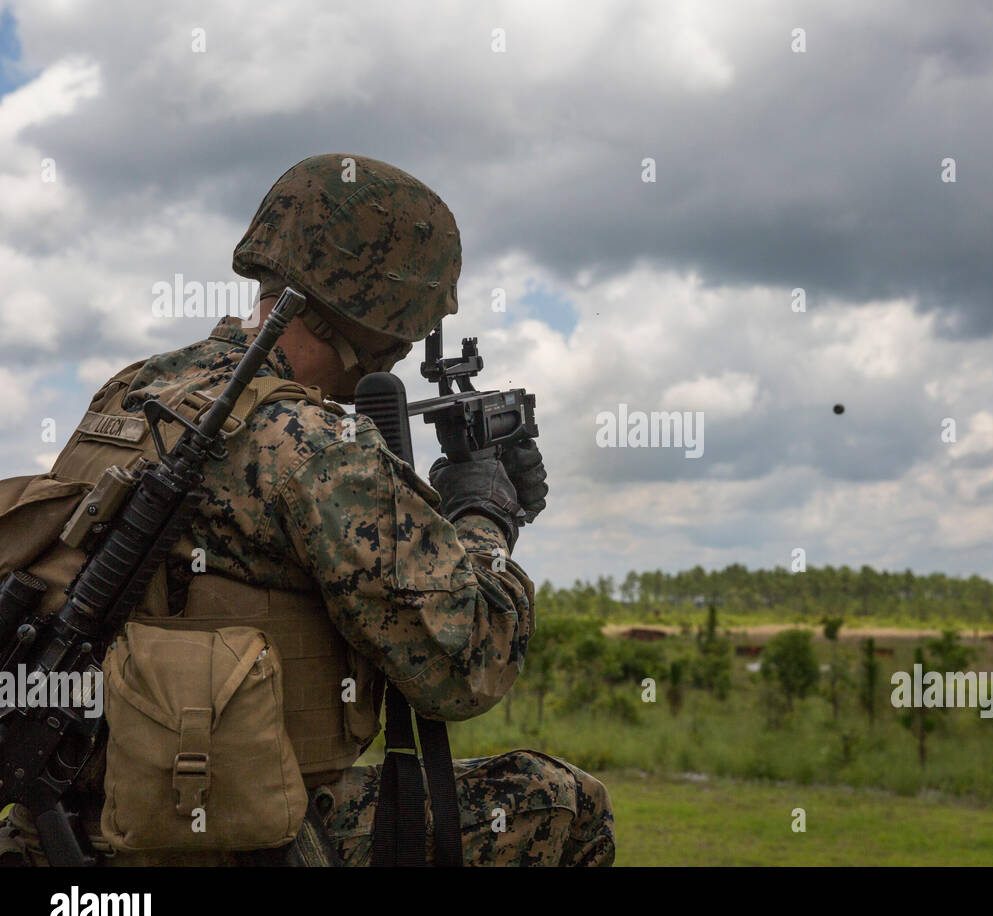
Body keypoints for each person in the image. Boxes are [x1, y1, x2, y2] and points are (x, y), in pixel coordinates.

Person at [1, 153, 613, 866]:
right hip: (232, 839)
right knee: (564, 803)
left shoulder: (136, 392)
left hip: (67, 818)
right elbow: (467, 660)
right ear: (388, 314)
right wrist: (484, 518)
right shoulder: (315, 444)